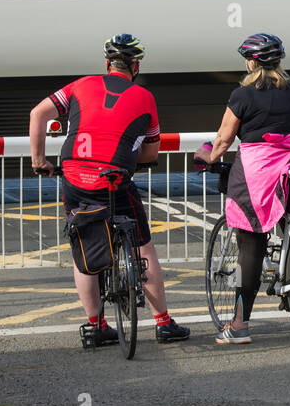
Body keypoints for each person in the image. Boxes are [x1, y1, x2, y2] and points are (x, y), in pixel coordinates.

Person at [29, 34, 191, 346]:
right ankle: (163, 323)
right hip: (114, 180)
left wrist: (39, 160)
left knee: (85, 251)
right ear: (136, 66)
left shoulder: (79, 86)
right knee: (143, 248)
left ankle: (95, 326)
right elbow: (150, 154)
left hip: (75, 176)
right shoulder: (144, 97)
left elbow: (38, 114)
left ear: (106, 64)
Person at [197, 33, 290, 344]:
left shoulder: (242, 95)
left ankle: (239, 326)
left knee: (251, 245)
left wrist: (206, 155)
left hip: (258, 175)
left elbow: (223, 140)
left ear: (251, 62)